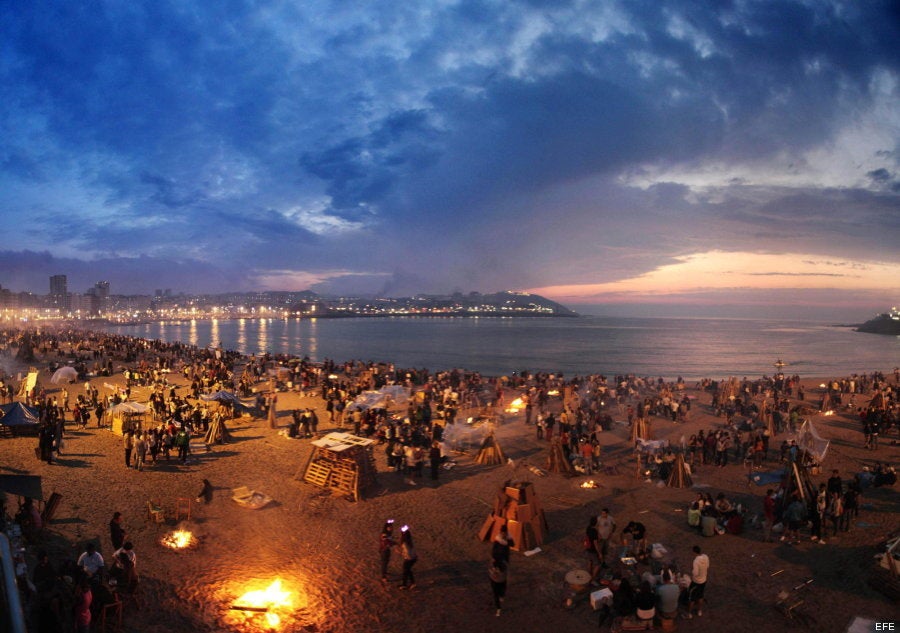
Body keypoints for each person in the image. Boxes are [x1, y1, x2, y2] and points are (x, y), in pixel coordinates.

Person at [685, 545, 709, 619]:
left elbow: (695, 573)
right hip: (704, 580)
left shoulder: (696, 561)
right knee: (700, 595)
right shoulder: (705, 557)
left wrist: (692, 571)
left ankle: (689, 613)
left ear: (694, 552)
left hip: (696, 582)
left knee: (692, 598)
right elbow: (707, 566)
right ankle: (699, 611)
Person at [399, 525, 418, 590]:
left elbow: (406, 551)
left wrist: (405, 556)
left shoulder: (404, 542)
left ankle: (405, 584)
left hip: (409, 558)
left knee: (405, 571)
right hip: (413, 558)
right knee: (408, 570)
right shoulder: (410, 540)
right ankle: (412, 583)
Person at [585, 516, 601, 581]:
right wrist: (599, 553)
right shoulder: (594, 531)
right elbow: (596, 544)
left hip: (588, 547)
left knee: (590, 561)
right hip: (593, 549)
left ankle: (589, 573)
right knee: (598, 564)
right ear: (596, 523)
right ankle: (593, 577)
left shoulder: (588, 528)